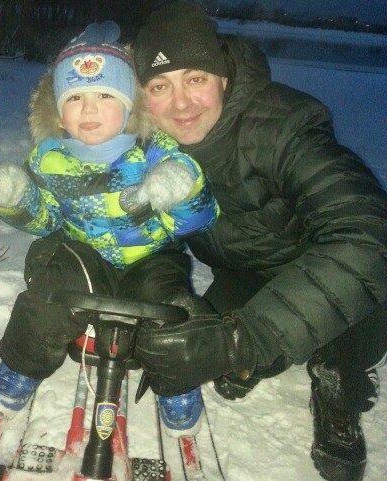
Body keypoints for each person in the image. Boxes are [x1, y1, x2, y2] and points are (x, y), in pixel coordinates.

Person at [131, 2, 387, 481]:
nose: (181, 104)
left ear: (224, 78)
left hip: (326, 265)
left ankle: (338, 385)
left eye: (195, 79)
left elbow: (367, 234)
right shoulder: (149, 153)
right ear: (143, 98)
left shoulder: (285, 126)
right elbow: (142, 238)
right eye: (160, 86)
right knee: (210, 354)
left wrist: (247, 339)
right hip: (246, 270)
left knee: (358, 312)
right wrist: (163, 296)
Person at [0, 20, 219, 436]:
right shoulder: (49, 158)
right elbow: (48, 219)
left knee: (172, 309)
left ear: (131, 106)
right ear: (58, 110)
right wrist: (18, 202)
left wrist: (180, 192)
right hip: (84, 255)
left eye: (105, 95)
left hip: (150, 258)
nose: (88, 110)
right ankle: (20, 367)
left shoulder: (155, 151)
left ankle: (177, 385)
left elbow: (199, 219)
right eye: (75, 98)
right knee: (48, 295)